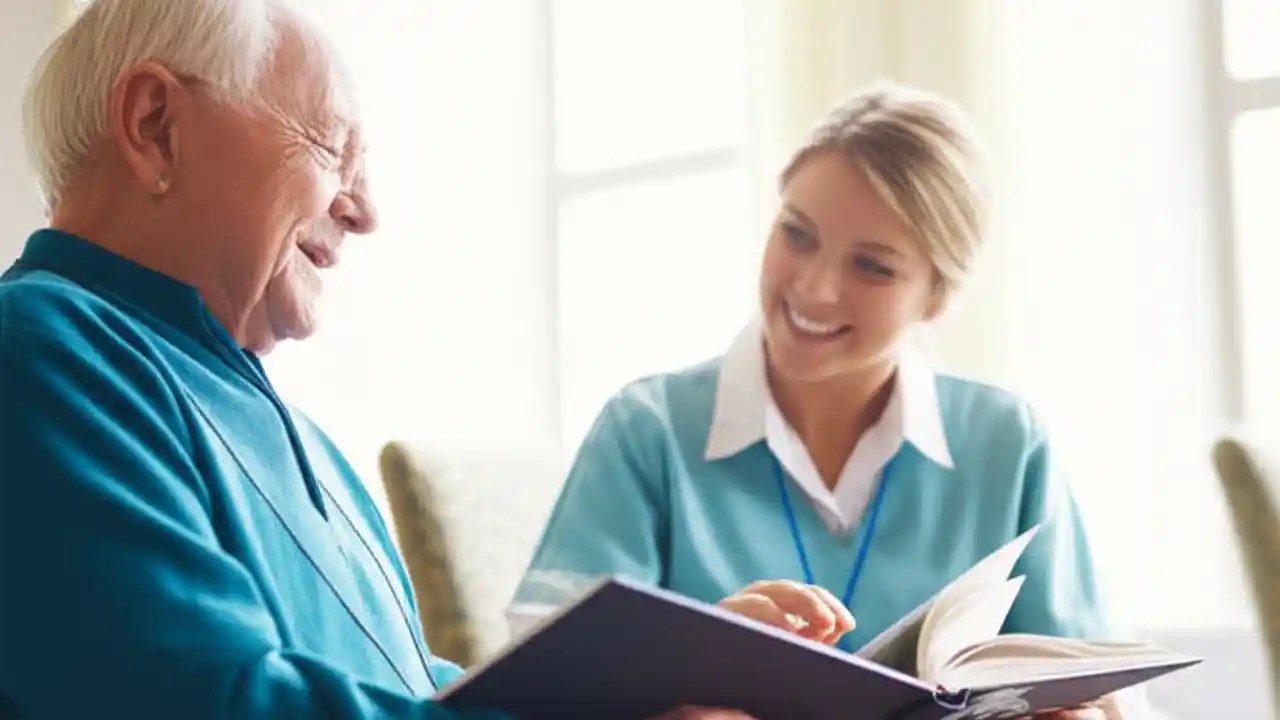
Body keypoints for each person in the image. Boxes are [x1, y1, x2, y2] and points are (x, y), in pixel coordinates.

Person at [0, 1, 752, 718]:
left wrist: (660, 685)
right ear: (155, 127)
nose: (364, 211)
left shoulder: (303, 439)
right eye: (335, 151)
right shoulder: (36, 350)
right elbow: (203, 702)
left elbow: (414, 690)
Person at [514, 85, 1122, 719]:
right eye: (797, 234)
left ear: (937, 295)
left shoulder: (1008, 443)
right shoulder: (647, 430)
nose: (815, 288)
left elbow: (1098, 686)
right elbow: (542, 685)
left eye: (872, 267)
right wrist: (685, 673)